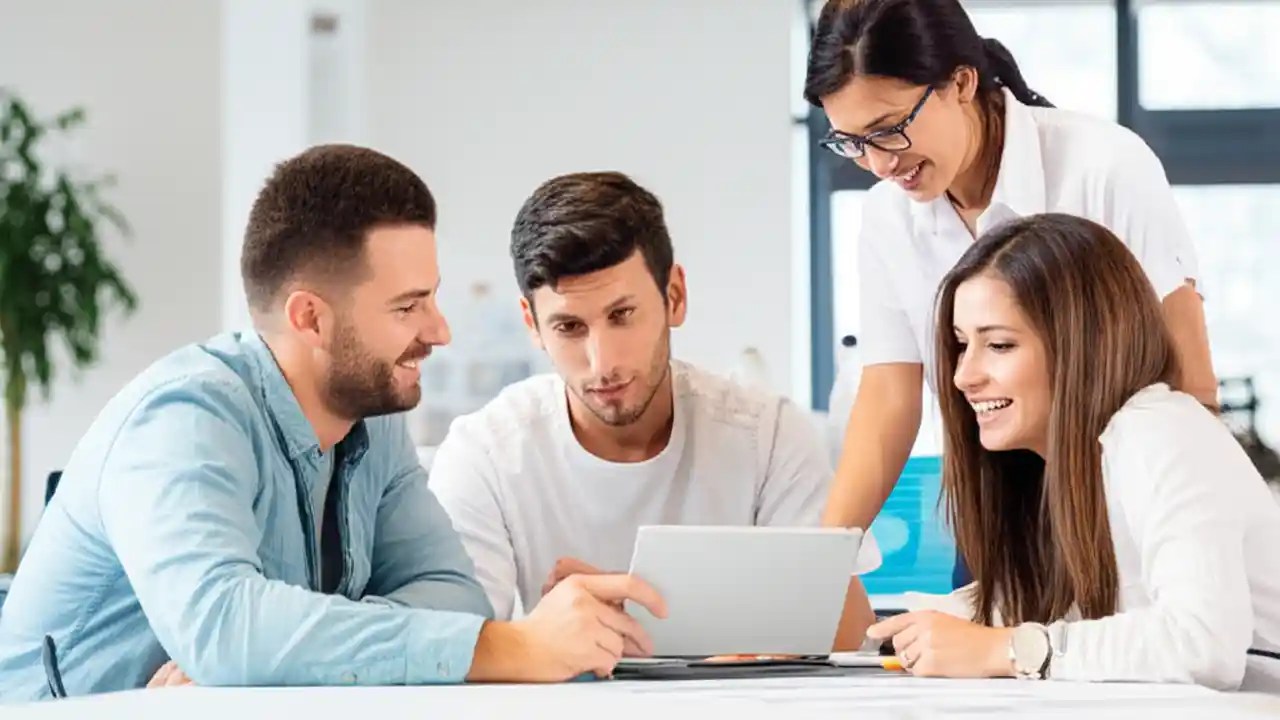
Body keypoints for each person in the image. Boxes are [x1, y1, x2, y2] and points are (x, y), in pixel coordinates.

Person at [0, 145, 665, 700]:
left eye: (431, 298)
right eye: (409, 307)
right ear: (310, 318)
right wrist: (512, 647)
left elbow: (456, 595)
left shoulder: (372, 423)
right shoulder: (182, 417)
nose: (440, 330)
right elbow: (224, 626)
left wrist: (273, 655)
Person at [803, 0, 1219, 546]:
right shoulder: (888, 217)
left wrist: (1196, 539)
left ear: (960, 83)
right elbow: (888, 397)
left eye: (889, 129)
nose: (879, 164)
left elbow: (1189, 376)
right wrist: (823, 558)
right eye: (851, 142)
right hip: (998, 513)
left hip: (1132, 505)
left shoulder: (1102, 166)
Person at [430, 171, 881, 650]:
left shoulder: (767, 435)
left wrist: (658, 625)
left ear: (674, 297)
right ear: (533, 324)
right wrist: (545, 635)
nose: (602, 363)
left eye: (622, 315)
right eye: (568, 327)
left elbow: (848, 634)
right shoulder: (484, 452)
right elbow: (449, 646)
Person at [864, 213, 1280, 691]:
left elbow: (1202, 646)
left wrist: (1004, 648)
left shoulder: (1161, 429)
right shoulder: (1058, 468)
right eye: (961, 345)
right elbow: (1062, 614)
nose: (963, 377)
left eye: (998, 344)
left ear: (1084, 343)